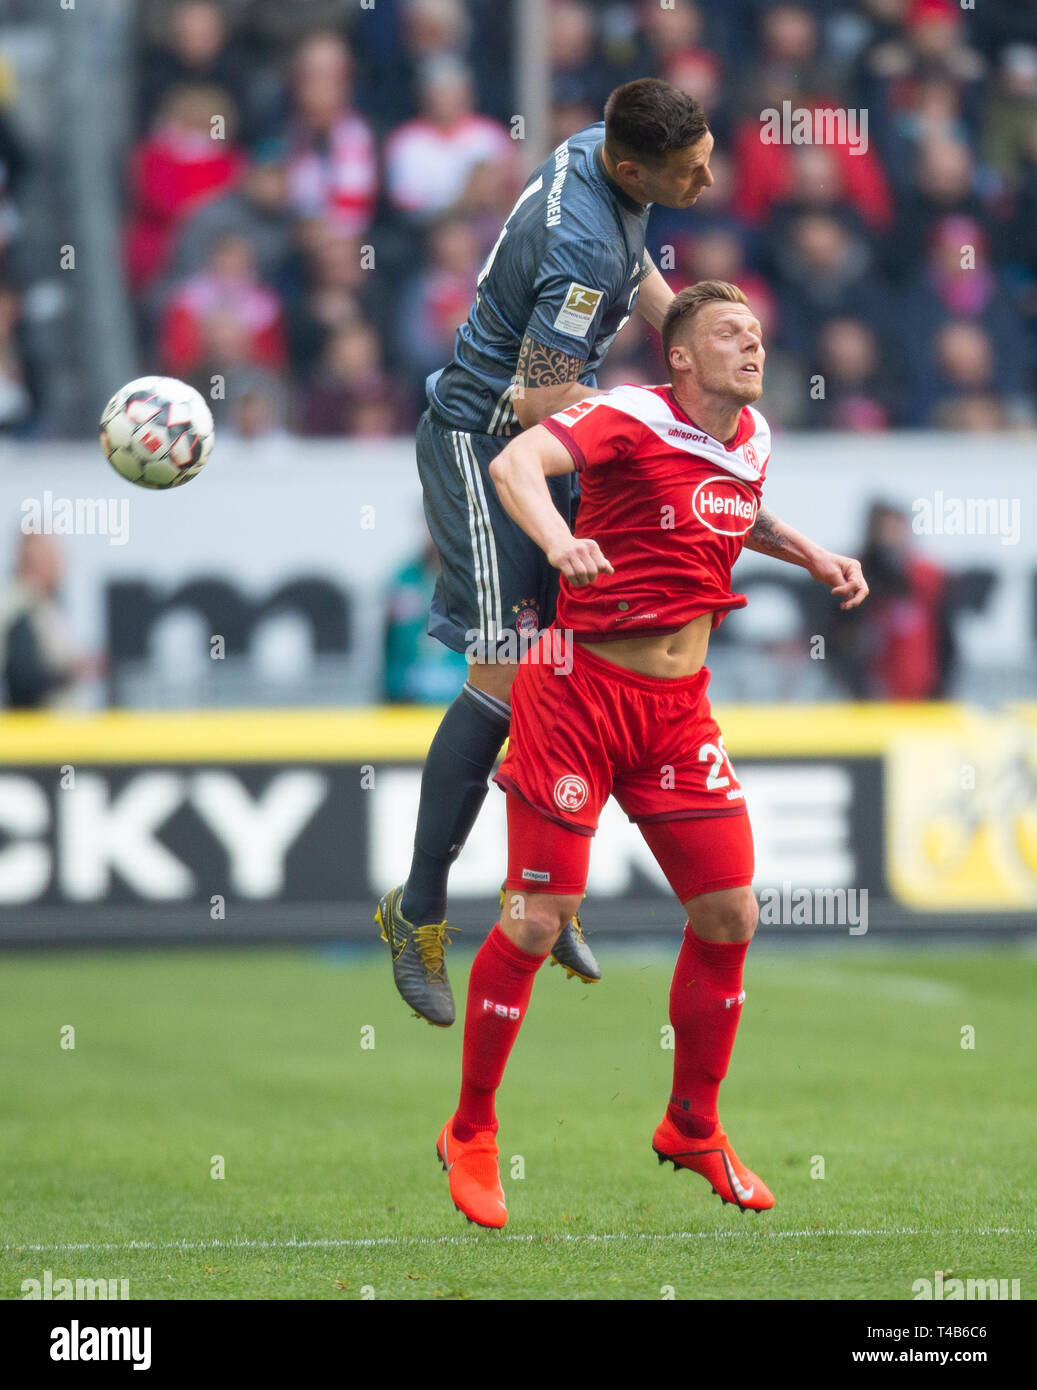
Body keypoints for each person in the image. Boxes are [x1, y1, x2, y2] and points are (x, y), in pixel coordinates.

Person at [433, 282, 869, 1227]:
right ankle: (470, 1129)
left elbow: (735, 511)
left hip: (675, 711)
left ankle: (692, 1124)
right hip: (576, 691)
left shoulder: (749, 439)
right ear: (680, 356)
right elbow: (516, 463)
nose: (750, 343)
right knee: (539, 917)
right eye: (727, 332)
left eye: (756, 329)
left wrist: (813, 554)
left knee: (727, 912)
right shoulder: (629, 413)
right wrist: (559, 540)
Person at [375, 78, 717, 1027]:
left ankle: (540, 888)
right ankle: (418, 911)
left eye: (707, 157)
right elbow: (535, 400)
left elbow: (636, 270)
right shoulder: (571, 254)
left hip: (555, 442)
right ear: (630, 165)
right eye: (689, 172)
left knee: (576, 665)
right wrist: (657, 415)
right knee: (509, 670)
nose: (706, 179)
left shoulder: (605, 159)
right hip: (485, 446)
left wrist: (690, 336)